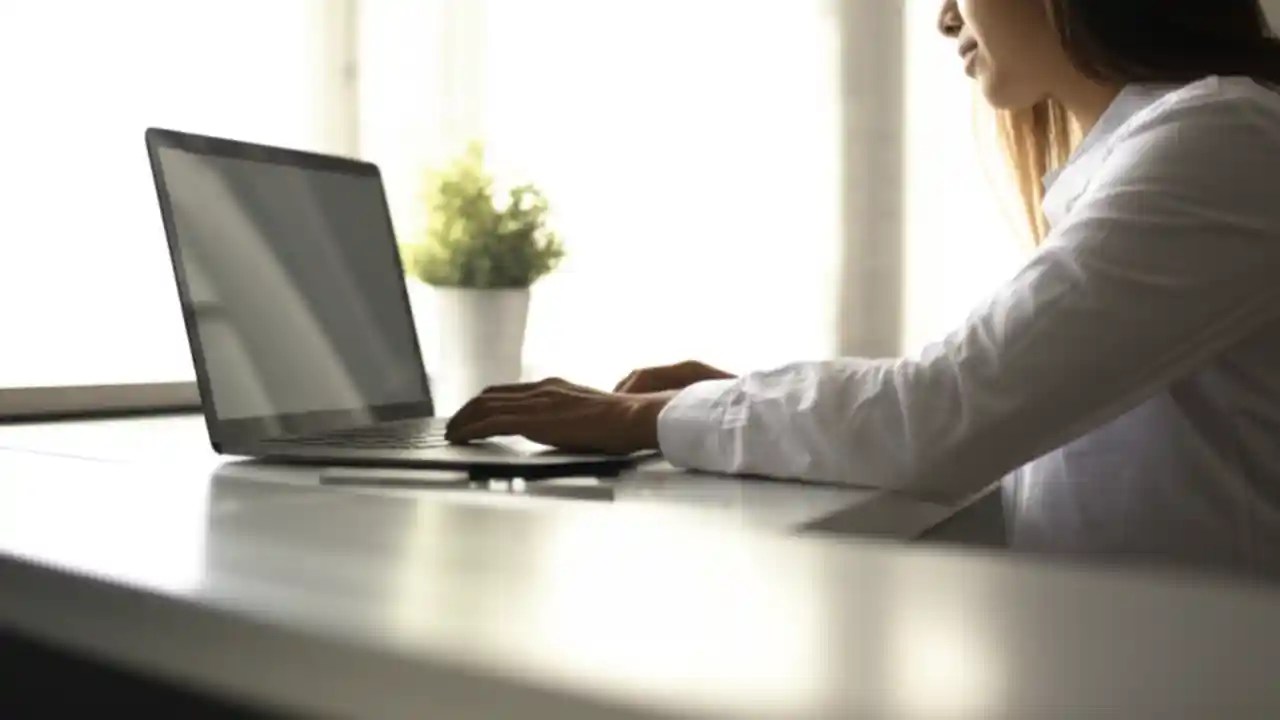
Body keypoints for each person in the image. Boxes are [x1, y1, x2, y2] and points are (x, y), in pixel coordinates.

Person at [447, 0, 1280, 576]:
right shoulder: (1170, 154)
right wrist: (737, 405)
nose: (946, 16)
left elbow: (943, 409)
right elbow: (980, 418)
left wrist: (652, 417)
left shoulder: (1221, 141)